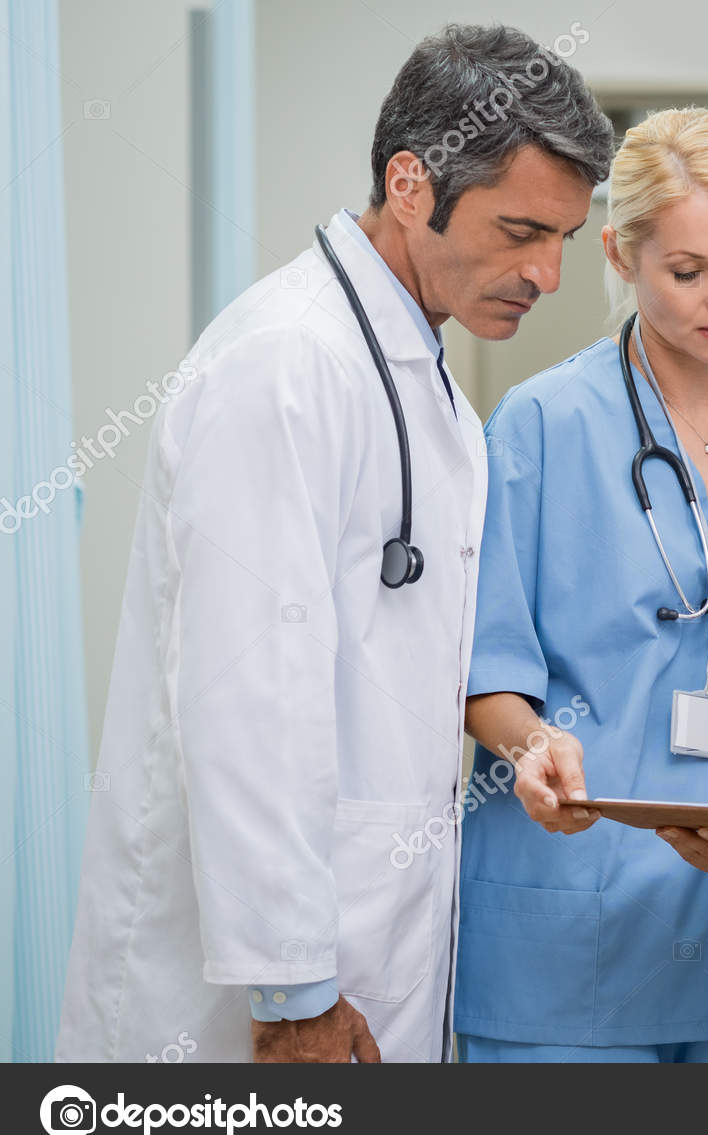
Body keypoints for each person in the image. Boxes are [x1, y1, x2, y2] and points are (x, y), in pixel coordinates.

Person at [56, 24, 612, 1063]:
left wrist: (528, 743)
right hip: (257, 997)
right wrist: (292, 986)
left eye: (565, 240)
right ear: (411, 184)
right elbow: (246, 696)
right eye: (521, 229)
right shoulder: (285, 362)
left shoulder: (423, 379)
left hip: (373, 951)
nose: (545, 272)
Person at [454, 107, 708, 1064]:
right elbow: (481, 662)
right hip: (556, 933)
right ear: (621, 255)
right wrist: (535, 741)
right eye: (687, 271)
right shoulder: (541, 424)